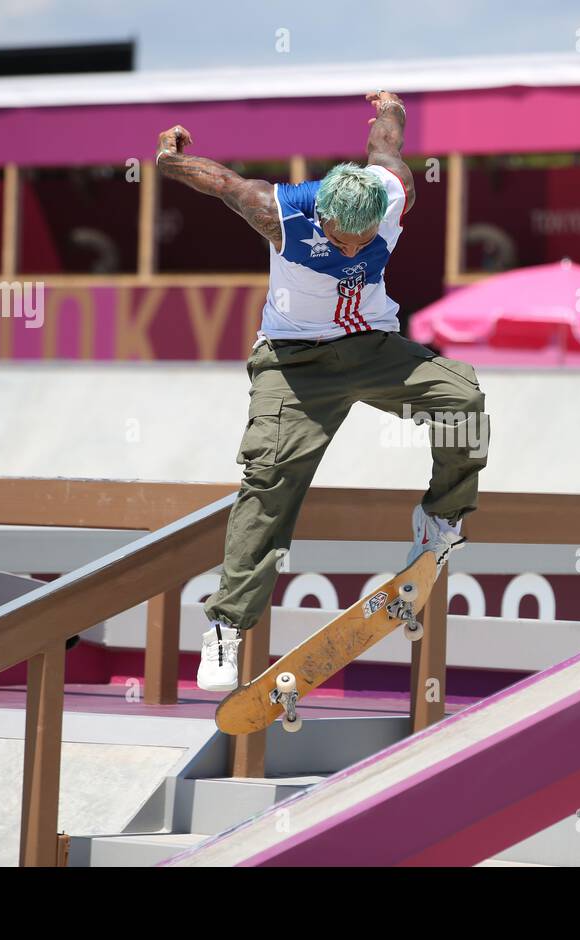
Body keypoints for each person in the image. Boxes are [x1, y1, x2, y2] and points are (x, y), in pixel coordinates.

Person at [155, 91, 489, 692]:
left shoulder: (391, 190)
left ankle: (440, 519)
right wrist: (168, 160)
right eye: (341, 238)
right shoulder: (274, 210)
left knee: (462, 400)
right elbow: (219, 180)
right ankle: (228, 624)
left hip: (374, 349)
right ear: (322, 216)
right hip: (292, 364)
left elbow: (386, 140)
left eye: (365, 239)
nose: (354, 248)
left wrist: (391, 104)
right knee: (269, 477)